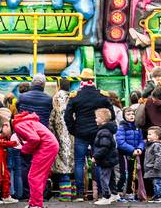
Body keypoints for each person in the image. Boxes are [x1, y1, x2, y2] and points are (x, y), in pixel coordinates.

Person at [64, 69, 114, 200]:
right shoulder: (102, 95)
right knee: (98, 161)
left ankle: (80, 194)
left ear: (81, 80)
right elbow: (111, 114)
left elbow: (67, 116)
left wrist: (73, 129)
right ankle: (102, 193)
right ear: (93, 79)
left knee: (79, 162)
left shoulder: (75, 96)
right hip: (98, 133)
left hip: (80, 133)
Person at [10, 106, 59, 208]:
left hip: (46, 146)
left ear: (6, 125)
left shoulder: (18, 126)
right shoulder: (26, 121)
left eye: (1, 131)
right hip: (51, 145)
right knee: (40, 177)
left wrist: (24, 150)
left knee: (33, 176)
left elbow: (34, 139)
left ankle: (36, 204)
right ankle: (34, 203)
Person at [49, 77, 76, 200]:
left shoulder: (56, 99)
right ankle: (74, 193)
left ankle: (65, 195)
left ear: (58, 86)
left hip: (60, 136)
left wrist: (52, 133)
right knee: (72, 165)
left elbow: (52, 120)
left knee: (63, 166)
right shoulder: (73, 97)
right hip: (73, 135)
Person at [0, 108, 18, 204]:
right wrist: (13, 143)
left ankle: (6, 195)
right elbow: (3, 143)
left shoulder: (1, 134)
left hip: (2, 159)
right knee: (0, 177)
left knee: (6, 176)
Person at [115, 106, 145, 201]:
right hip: (124, 154)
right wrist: (132, 150)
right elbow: (120, 142)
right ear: (124, 116)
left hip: (134, 154)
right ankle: (118, 193)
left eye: (132, 114)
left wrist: (140, 148)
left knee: (132, 174)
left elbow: (141, 140)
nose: (131, 116)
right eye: (128, 114)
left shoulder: (137, 127)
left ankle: (129, 193)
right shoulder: (122, 127)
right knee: (124, 174)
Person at [92, 107, 120, 205]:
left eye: (97, 117)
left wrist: (95, 156)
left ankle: (106, 196)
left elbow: (104, 147)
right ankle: (114, 194)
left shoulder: (103, 132)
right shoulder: (108, 130)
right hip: (110, 158)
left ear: (103, 119)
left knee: (104, 177)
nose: (95, 119)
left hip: (106, 159)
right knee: (111, 177)